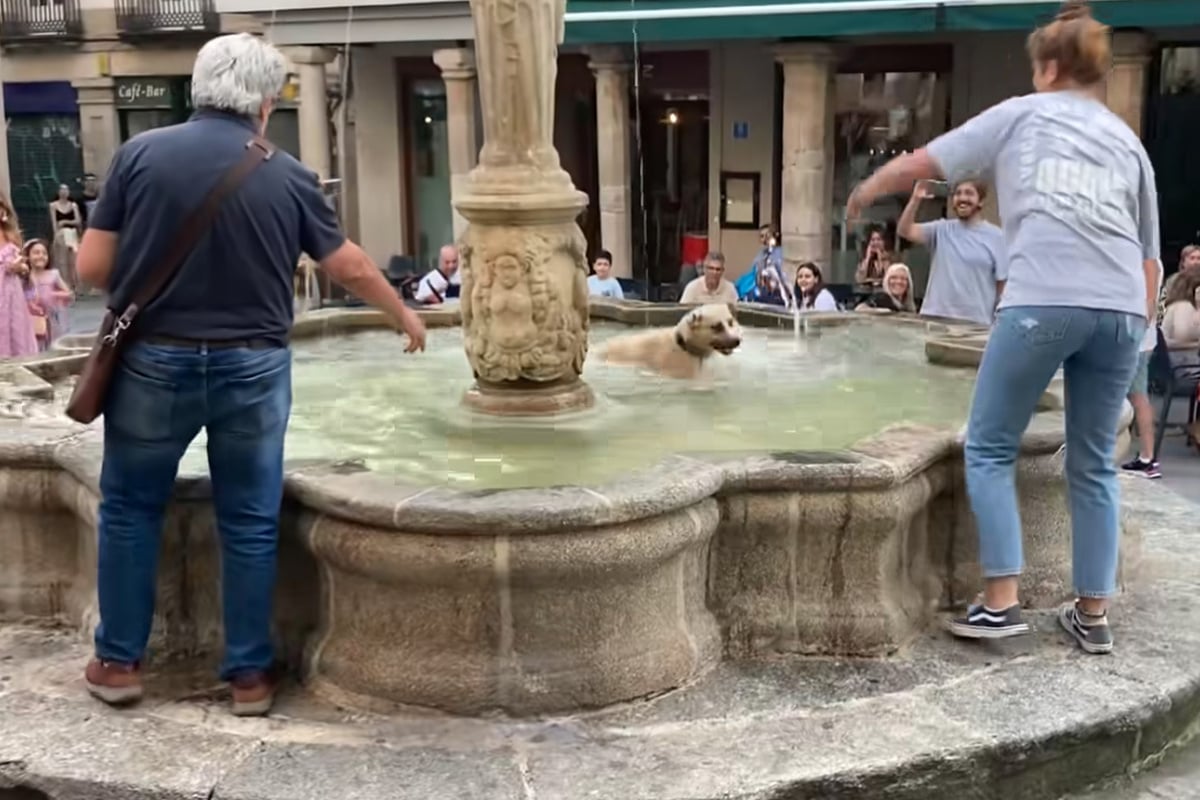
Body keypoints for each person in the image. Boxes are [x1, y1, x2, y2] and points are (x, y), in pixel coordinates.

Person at [75, 33, 427, 717]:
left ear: (198, 88)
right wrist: (403, 315)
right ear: (267, 105)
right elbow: (346, 264)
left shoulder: (138, 156)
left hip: (152, 359)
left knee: (129, 510)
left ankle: (118, 662)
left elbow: (91, 270)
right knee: (250, 521)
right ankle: (248, 677)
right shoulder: (288, 174)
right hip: (253, 366)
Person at [848, 0, 1159, 655]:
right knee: (1096, 462)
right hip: (1121, 310)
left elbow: (925, 162)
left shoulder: (1022, 112)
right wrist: (1140, 333)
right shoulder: (1129, 143)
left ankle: (1001, 603)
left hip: (1044, 299)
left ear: (1047, 67)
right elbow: (1150, 257)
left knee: (988, 447)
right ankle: (1093, 613)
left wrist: (870, 184)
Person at [898, 179, 1007, 325]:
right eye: (958, 193)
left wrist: (1000, 321)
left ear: (980, 202)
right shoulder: (941, 229)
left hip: (974, 323)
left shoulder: (997, 237)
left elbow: (1002, 286)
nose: (962, 198)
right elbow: (904, 230)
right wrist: (916, 199)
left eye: (969, 194)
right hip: (933, 318)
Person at [1120, 258, 1164, 479]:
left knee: (1132, 397)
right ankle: (1147, 458)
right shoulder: (1150, 260)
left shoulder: (1145, 260)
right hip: (1141, 339)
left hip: (1133, 340)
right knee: (1138, 397)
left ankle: (1147, 458)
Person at [0, 195, 38, 359]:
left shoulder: (10, 234)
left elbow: (24, 268)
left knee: (17, 329)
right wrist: (7, 267)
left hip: (14, 294)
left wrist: (22, 268)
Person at [22, 239, 73, 351]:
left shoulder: (53, 274)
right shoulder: (25, 277)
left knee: (53, 344)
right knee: (35, 344)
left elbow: (69, 294)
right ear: (27, 257)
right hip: (33, 318)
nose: (41, 256)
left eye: (44, 253)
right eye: (36, 253)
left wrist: (53, 295)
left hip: (52, 318)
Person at [49, 184, 82, 289]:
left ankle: (75, 285)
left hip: (71, 233)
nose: (64, 192)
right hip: (61, 234)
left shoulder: (73, 205)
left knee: (73, 260)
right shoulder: (53, 205)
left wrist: (65, 221)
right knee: (62, 260)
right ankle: (65, 284)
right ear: (58, 192)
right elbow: (54, 222)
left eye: (66, 190)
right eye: (62, 190)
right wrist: (55, 235)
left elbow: (78, 221)